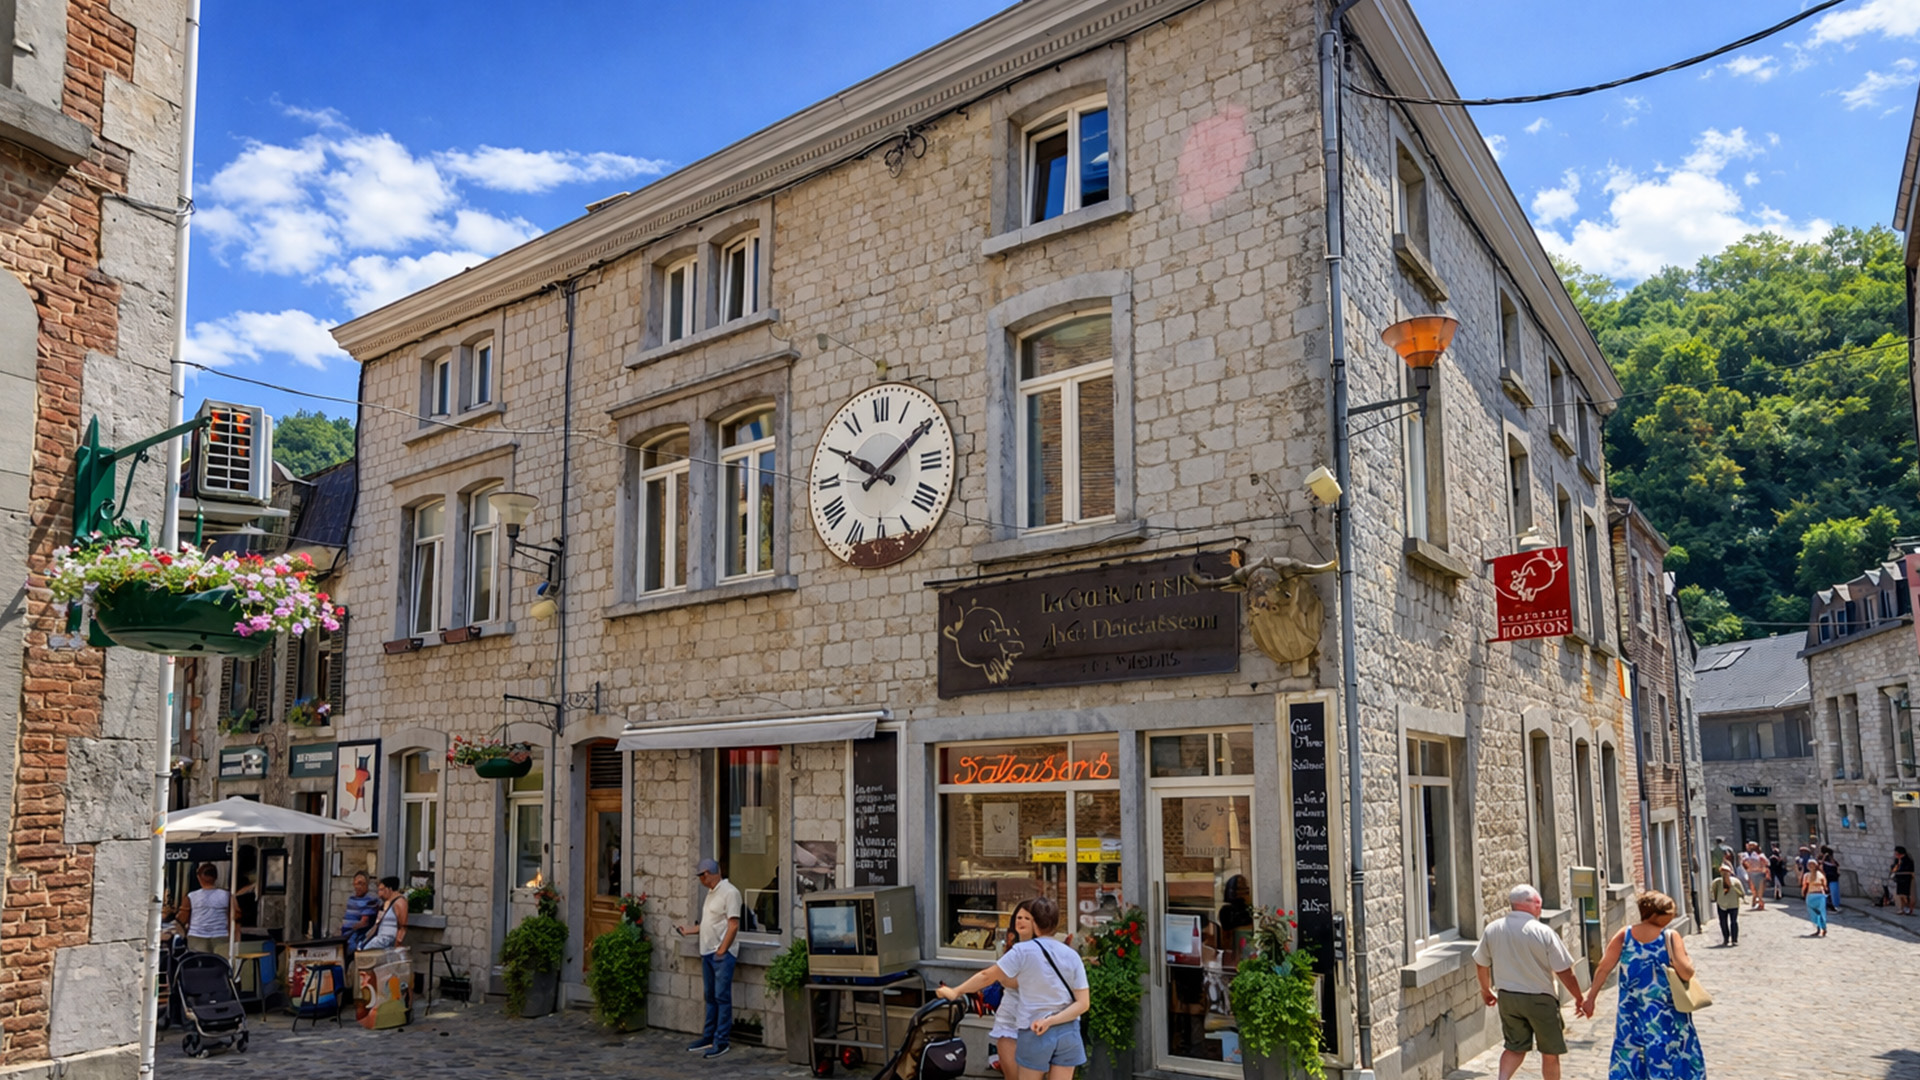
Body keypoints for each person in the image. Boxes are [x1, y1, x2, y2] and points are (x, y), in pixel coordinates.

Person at [937, 896, 1089, 1080]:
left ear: (1034, 922)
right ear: (1057, 922)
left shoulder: (1022, 951)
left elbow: (986, 976)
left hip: (1035, 1030)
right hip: (1068, 1031)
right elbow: (1083, 1003)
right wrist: (1053, 1020)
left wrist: (956, 991)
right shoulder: (1071, 955)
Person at [1581, 891, 1704, 1080]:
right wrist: (1687, 961)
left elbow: (1603, 969)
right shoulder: (1670, 936)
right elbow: (1686, 972)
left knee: (1632, 1056)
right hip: (1667, 1014)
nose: (1672, 916)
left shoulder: (1625, 935)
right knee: (1670, 1056)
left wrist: (1590, 999)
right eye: (1670, 912)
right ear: (1655, 914)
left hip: (1632, 1014)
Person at [1473, 884, 1588, 1080]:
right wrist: (1579, 997)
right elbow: (1564, 971)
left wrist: (1485, 989)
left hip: (1508, 998)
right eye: (1539, 904)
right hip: (1540, 998)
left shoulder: (1493, 929)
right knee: (1550, 1052)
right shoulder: (1543, 932)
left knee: (1514, 1047)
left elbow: (1481, 962)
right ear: (1535, 904)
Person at [676, 858, 741, 1060]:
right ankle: (709, 1036)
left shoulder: (730, 892)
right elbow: (708, 924)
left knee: (721, 997)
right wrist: (690, 930)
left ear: (710, 873)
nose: (701, 880)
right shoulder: (711, 894)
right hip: (707, 952)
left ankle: (721, 1041)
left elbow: (733, 924)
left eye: (702, 876)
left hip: (720, 954)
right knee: (711, 997)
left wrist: (722, 950)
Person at [987, 901, 1036, 1079]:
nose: (1021, 921)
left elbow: (1007, 979)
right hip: (1009, 1018)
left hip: (1036, 1021)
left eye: (1027, 918)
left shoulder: (1043, 950)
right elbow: (1003, 979)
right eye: (1018, 917)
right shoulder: (1012, 948)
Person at [178, 863, 238, 956]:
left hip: (196, 937)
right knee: (220, 964)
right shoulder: (227, 895)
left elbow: (182, 918)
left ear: (199, 877)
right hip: (221, 936)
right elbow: (236, 916)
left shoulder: (191, 896)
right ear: (216, 877)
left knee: (199, 965)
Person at [362, 876, 409, 949]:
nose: (379, 894)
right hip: (379, 938)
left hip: (387, 940)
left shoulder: (400, 902)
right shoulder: (386, 903)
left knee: (366, 952)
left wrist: (398, 943)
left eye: (381, 890)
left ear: (389, 889)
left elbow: (403, 926)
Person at [340, 871, 379, 952]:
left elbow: (364, 923)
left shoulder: (370, 901)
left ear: (367, 885)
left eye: (361, 883)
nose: (357, 886)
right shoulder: (351, 898)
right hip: (345, 934)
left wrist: (350, 927)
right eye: (356, 884)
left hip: (356, 935)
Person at [1708, 864, 1745, 946]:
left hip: (1724, 904)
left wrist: (1715, 899)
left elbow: (1713, 892)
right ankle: (1732, 939)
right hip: (1731, 904)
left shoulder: (1718, 882)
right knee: (1731, 922)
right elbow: (1742, 892)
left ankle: (1727, 939)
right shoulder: (1734, 881)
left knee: (1725, 922)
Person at [1802, 858, 1829, 937]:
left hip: (1818, 895)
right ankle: (1819, 928)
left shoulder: (1819, 875)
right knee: (1815, 913)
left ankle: (1823, 928)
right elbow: (1805, 886)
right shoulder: (1807, 875)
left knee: (1820, 913)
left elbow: (1824, 886)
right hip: (1813, 896)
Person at [1739, 843, 1768, 910]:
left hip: (1759, 873)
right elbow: (1744, 863)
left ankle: (1760, 902)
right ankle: (1756, 900)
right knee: (1754, 889)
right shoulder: (1746, 855)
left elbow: (1766, 863)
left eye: (1752, 846)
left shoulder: (1760, 855)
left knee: (1759, 889)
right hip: (1752, 873)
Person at [1890, 846, 1915, 916]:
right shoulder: (1897, 860)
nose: (1895, 855)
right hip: (1899, 879)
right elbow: (1894, 868)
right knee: (1900, 895)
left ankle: (1908, 908)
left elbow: (1908, 870)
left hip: (1906, 879)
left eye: (1896, 853)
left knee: (1905, 895)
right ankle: (1901, 908)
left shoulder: (1908, 860)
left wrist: (1899, 868)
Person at [1820, 847, 1842, 913]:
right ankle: (1830, 905)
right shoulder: (1824, 862)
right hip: (1829, 879)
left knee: (1832, 893)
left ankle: (1834, 905)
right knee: (1828, 893)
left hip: (1832, 878)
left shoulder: (1831, 863)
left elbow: (1837, 869)